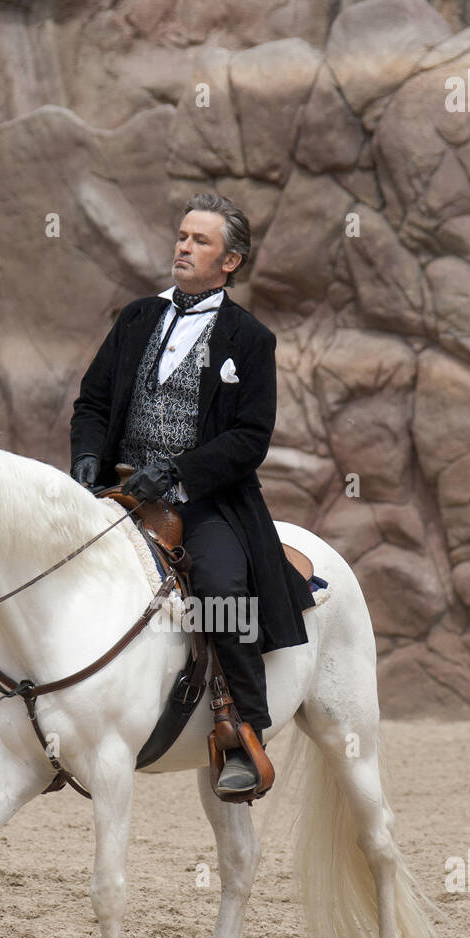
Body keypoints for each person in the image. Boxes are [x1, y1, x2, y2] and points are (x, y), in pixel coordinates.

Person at [69, 192, 312, 793]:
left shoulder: (250, 340)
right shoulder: (136, 318)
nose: (183, 246)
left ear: (230, 261)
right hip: (119, 490)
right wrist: (87, 459)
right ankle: (34, 721)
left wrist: (177, 474)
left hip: (205, 501)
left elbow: (249, 438)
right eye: (182, 236)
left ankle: (243, 733)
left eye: (200, 241)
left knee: (224, 590)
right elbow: (93, 402)